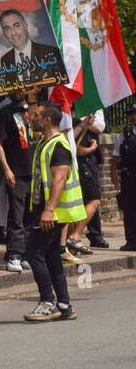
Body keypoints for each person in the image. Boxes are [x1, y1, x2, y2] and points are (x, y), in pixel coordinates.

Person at [22, 101, 82, 322]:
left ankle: (48, 302)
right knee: (51, 256)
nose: (32, 118)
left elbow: (59, 179)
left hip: (52, 212)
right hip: (47, 210)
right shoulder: (44, 143)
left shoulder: (58, 145)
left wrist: (49, 210)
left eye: (36, 115)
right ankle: (64, 305)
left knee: (33, 254)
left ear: (47, 120)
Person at [0, 92, 34, 271]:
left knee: (31, 215)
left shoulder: (31, 111)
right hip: (16, 170)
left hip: (33, 171)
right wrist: (6, 168)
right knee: (16, 214)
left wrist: (32, 99)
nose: (20, 91)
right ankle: (14, 254)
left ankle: (27, 252)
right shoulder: (4, 113)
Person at [70, 111, 107, 255]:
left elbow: (100, 127)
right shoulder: (73, 122)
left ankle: (72, 241)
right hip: (82, 166)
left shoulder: (88, 117)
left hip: (87, 165)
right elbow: (77, 149)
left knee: (84, 202)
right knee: (94, 200)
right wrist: (90, 149)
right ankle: (75, 235)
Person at [112, 113, 136, 252]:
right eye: (132, 115)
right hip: (128, 177)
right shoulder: (123, 136)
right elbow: (114, 158)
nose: (134, 117)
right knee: (129, 209)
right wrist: (113, 175)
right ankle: (131, 240)